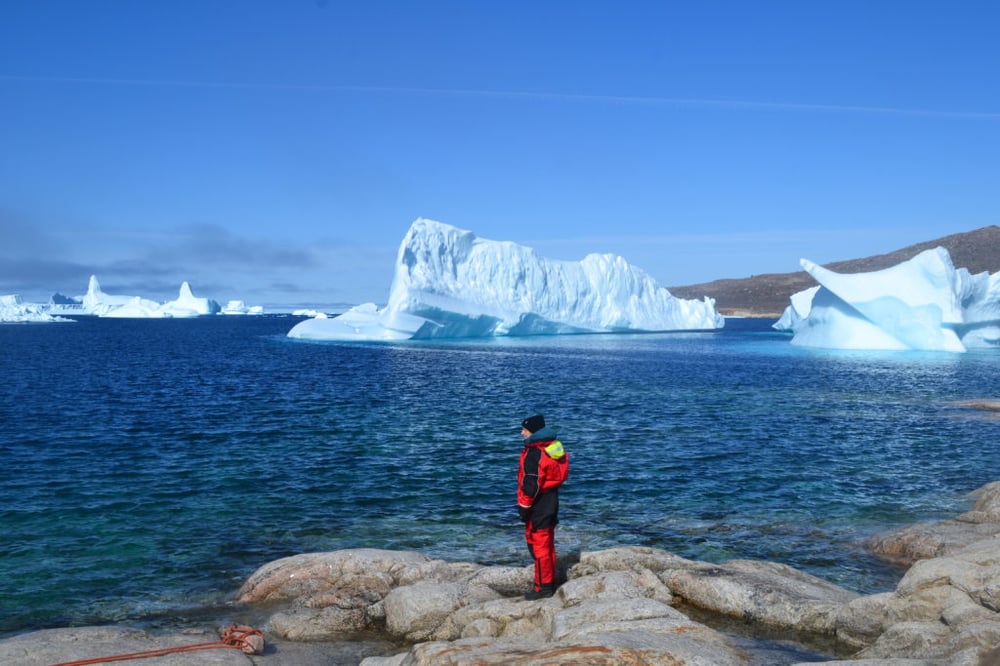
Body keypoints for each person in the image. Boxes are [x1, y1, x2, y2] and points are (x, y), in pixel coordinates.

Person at [516, 413, 569, 600]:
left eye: (524, 430)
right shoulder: (552, 447)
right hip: (551, 500)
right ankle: (547, 582)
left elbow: (532, 484)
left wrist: (523, 507)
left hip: (539, 504)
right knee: (546, 544)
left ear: (533, 431)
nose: (522, 433)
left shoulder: (534, 452)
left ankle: (543, 587)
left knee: (539, 545)